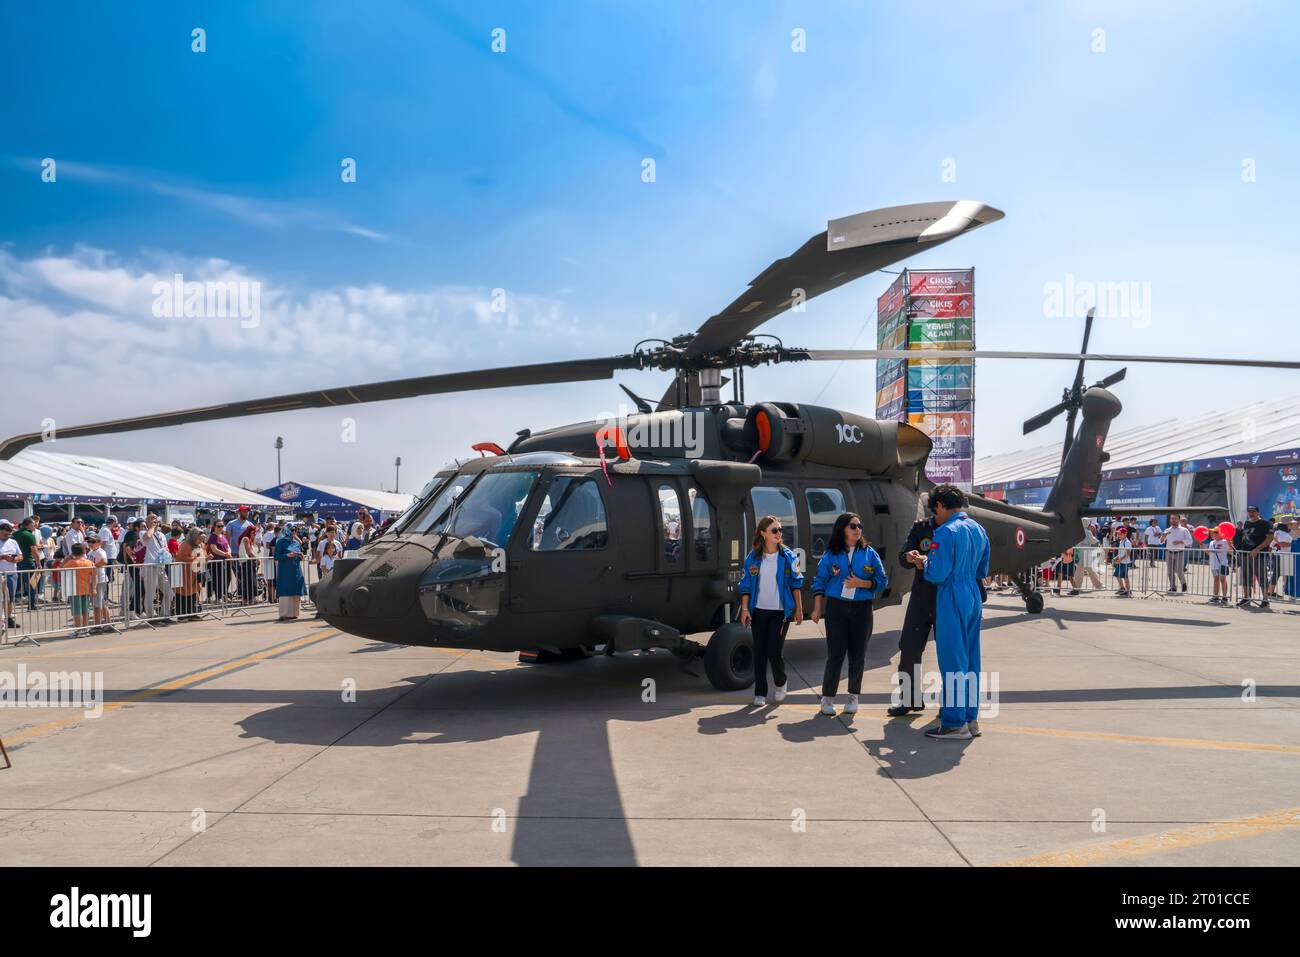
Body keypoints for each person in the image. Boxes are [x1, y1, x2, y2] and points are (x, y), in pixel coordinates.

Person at [906, 485, 989, 740]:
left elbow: (937, 573)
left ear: (940, 505)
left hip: (951, 594)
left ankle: (954, 723)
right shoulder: (978, 529)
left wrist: (924, 561)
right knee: (971, 660)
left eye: (935, 509)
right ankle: (970, 718)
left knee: (953, 661)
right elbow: (983, 568)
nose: (935, 515)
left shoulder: (945, 532)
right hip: (973, 594)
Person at [811, 512, 888, 716]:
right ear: (842, 529)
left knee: (858, 654)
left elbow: (882, 580)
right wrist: (818, 608)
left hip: (861, 609)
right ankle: (827, 698)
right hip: (836, 607)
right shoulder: (831, 555)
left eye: (859, 526)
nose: (857, 530)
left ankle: (853, 696)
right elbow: (819, 581)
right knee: (835, 654)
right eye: (853, 526)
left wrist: (861, 583)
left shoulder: (869, 553)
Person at [737, 515, 804, 707]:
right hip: (758, 611)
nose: (778, 534)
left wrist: (798, 608)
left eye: (780, 530)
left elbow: (796, 584)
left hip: (780, 613)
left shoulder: (788, 556)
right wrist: (745, 610)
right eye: (774, 530)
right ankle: (760, 693)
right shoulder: (753, 558)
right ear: (763, 533)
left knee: (774, 651)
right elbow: (746, 586)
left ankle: (780, 682)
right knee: (759, 652)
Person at [889, 504, 937, 717]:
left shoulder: (954, 530)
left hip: (945, 597)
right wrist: (909, 556)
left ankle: (951, 706)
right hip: (921, 597)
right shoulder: (921, 528)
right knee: (908, 646)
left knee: (949, 652)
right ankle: (909, 699)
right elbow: (902, 556)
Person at [1234, 506, 1274, 608]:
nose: (1251, 513)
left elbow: (1270, 538)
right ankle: (1246, 598)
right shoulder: (1247, 523)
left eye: (1253, 512)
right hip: (1245, 554)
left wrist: (1258, 549)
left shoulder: (1265, 523)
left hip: (1259, 555)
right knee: (1246, 577)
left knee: (1262, 577)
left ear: (1258, 512)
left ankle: (1265, 599)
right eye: (1249, 512)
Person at [140, 514, 175, 624]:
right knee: (150, 593)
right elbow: (146, 538)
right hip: (150, 566)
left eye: (155, 518)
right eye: (151, 518)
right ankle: (150, 617)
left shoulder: (161, 535)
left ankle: (164, 614)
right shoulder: (143, 532)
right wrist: (151, 527)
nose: (155, 519)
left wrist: (167, 554)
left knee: (169, 592)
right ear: (146, 521)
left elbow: (165, 548)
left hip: (161, 566)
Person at [63, 542, 97, 637]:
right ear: (84, 551)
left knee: (77, 611)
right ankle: (85, 629)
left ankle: (79, 630)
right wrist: (93, 588)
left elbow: (61, 567)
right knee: (85, 611)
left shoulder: (71, 563)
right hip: (86, 589)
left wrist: (68, 558)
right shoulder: (89, 563)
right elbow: (94, 576)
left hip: (75, 589)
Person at [274, 524, 307, 620]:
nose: (293, 532)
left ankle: (294, 613)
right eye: (292, 530)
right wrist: (288, 555)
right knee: (286, 591)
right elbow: (276, 557)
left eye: (295, 530)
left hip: (296, 570)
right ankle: (284, 614)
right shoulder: (280, 542)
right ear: (287, 530)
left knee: (295, 590)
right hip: (285, 571)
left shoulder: (296, 543)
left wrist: (301, 556)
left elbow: (300, 553)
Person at [175, 528, 206, 620]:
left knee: (193, 593)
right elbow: (183, 557)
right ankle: (182, 614)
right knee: (183, 593)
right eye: (199, 539)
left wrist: (205, 558)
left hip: (195, 572)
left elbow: (203, 554)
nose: (201, 541)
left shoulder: (200, 545)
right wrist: (197, 559)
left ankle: (192, 613)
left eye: (202, 539)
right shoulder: (185, 544)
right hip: (184, 572)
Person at [86, 532, 112, 633]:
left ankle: (98, 626)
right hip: (94, 579)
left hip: (99, 580)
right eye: (89, 541)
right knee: (101, 603)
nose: (90, 543)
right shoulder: (90, 552)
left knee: (97, 605)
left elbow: (104, 561)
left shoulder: (100, 551)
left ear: (99, 543)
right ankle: (108, 623)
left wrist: (94, 566)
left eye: (92, 541)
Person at [1162, 515, 1193, 593]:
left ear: (1178, 520)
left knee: (1179, 570)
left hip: (1179, 552)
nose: (1173, 520)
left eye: (1175, 519)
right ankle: (1173, 587)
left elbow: (1190, 541)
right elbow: (1161, 541)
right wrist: (1163, 536)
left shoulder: (1184, 530)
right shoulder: (1167, 530)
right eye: (1172, 519)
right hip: (1169, 552)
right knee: (1169, 571)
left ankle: (1183, 583)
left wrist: (1181, 541)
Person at [0, 520, 23, 630]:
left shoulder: (13, 542)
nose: (7, 536)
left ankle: (8, 618)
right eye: (5, 534)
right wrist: (3, 557)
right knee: (2, 598)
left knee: (10, 599)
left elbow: (20, 556)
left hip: (11, 573)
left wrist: (15, 559)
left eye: (9, 534)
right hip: (1, 574)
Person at [15, 516, 40, 612]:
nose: (35, 527)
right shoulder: (29, 535)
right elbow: (34, 551)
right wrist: (38, 563)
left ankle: (6, 604)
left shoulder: (15, 534)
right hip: (28, 563)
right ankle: (31, 605)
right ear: (28, 525)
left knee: (16, 585)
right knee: (32, 585)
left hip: (16, 562)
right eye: (33, 525)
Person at [205, 519, 233, 604]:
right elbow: (214, 549)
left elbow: (228, 545)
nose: (220, 528)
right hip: (216, 562)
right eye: (218, 526)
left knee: (227, 578)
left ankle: (222, 594)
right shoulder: (213, 536)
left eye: (222, 526)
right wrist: (226, 554)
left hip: (225, 561)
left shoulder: (223, 536)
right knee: (216, 580)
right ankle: (217, 597)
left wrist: (229, 553)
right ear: (214, 527)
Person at [1208, 527, 1231, 604]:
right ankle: (1215, 596)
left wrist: (1230, 543)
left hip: (1223, 563)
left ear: (1219, 534)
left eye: (1213, 532)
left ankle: (1224, 597)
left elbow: (1230, 551)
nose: (1211, 534)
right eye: (1211, 532)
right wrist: (1202, 547)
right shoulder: (1211, 542)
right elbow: (1210, 553)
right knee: (1216, 579)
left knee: (1222, 579)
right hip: (1213, 564)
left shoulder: (1225, 541)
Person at [1109, 525, 1133, 596]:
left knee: (1120, 576)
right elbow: (1121, 552)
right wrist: (1116, 557)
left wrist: (1120, 559)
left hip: (1125, 562)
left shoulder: (1127, 542)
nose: (1118, 535)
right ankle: (1124, 589)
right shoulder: (1121, 541)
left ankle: (1127, 590)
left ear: (1124, 534)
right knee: (1122, 576)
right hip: (1122, 561)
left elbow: (1128, 553)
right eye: (1118, 533)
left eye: (1120, 534)